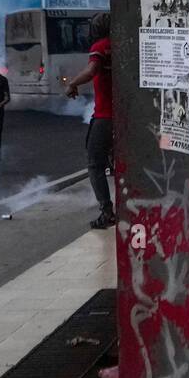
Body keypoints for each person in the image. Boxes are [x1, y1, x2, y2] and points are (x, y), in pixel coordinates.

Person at [65, 12, 115, 229]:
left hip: (105, 116)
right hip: (124, 115)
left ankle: (107, 211)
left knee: (95, 164)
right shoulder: (122, 43)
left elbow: (92, 69)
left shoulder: (101, 46)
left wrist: (73, 83)